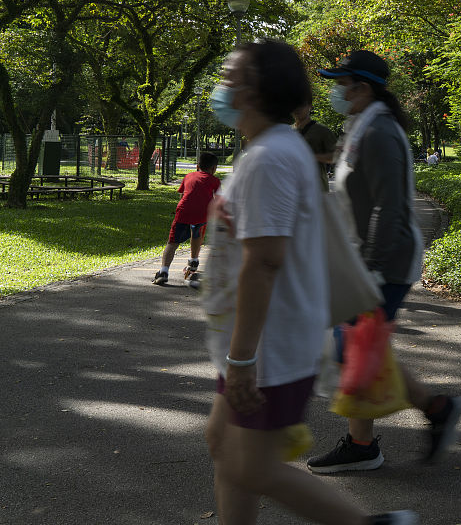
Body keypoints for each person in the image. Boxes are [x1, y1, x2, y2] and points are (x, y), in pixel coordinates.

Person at [202, 39, 416, 525]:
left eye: (231, 75)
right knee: (222, 446)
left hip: (266, 349)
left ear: (256, 90)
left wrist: (241, 361)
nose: (222, 84)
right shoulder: (274, 148)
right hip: (256, 341)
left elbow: (264, 263)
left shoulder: (269, 157)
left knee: (252, 468)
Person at [308, 50, 461, 474]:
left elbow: (391, 210)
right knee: (362, 346)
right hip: (362, 257)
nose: (336, 91)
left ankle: (368, 442)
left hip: (384, 262)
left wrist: (371, 271)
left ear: (362, 87)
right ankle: (433, 410)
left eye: (341, 84)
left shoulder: (379, 131)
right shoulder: (360, 126)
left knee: (353, 347)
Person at [152, 152, 220, 287]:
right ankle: (194, 261)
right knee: (196, 232)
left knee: (172, 242)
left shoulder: (188, 176)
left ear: (197, 166)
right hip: (202, 213)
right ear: (214, 168)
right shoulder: (215, 181)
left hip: (184, 211)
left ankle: (163, 272)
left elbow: (183, 195)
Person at [293, 100, 338, 189]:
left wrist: (313, 157)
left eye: (301, 104)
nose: (297, 108)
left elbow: (337, 156)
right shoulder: (287, 133)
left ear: (310, 106)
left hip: (317, 190)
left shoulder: (322, 131)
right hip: (293, 190)